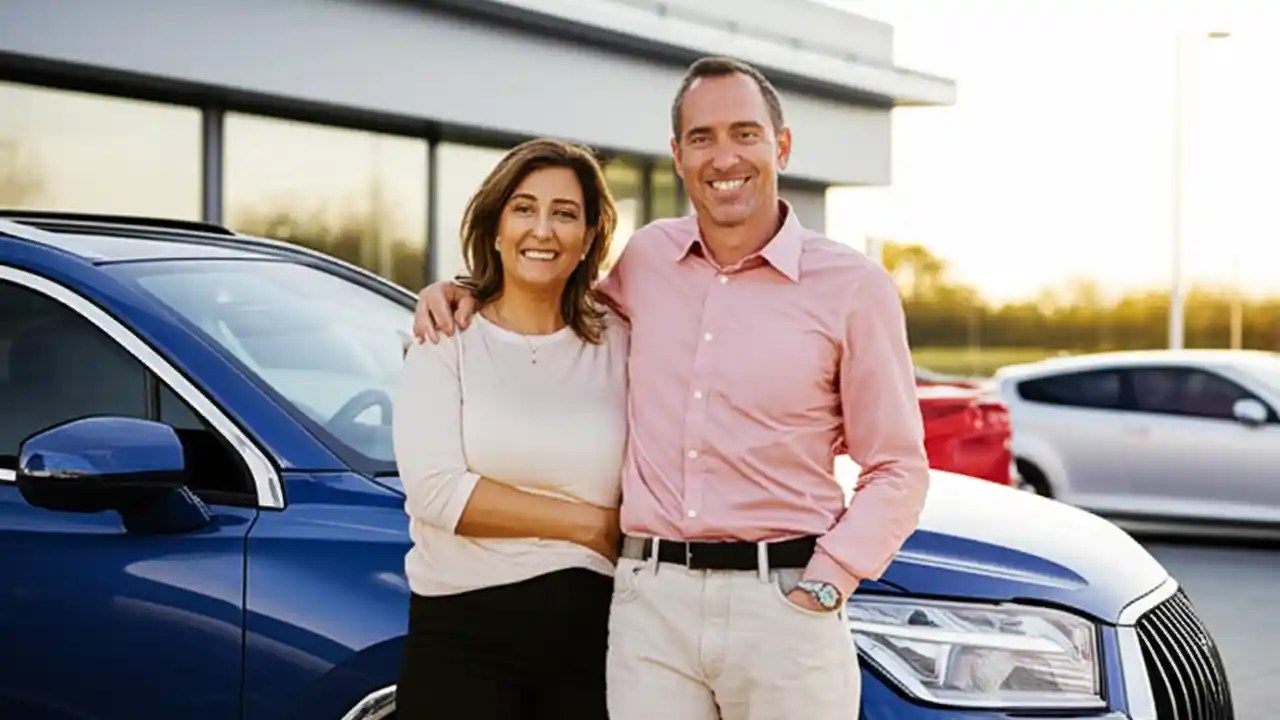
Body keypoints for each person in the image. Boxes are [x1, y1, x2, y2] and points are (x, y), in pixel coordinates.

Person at [414, 56, 931, 719]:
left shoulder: (853, 288)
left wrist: (830, 581)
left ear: (783, 145)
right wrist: (467, 289)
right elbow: (554, 307)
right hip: (649, 609)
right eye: (702, 137)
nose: (724, 157)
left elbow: (897, 467)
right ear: (678, 156)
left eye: (744, 133)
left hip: (784, 610)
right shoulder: (648, 259)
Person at [391, 138, 628, 720]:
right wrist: (592, 525)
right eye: (523, 208)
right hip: (461, 647)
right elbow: (437, 493)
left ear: (590, 237)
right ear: (496, 226)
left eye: (564, 213)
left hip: (596, 649)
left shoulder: (622, 339)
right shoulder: (446, 337)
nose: (542, 230)